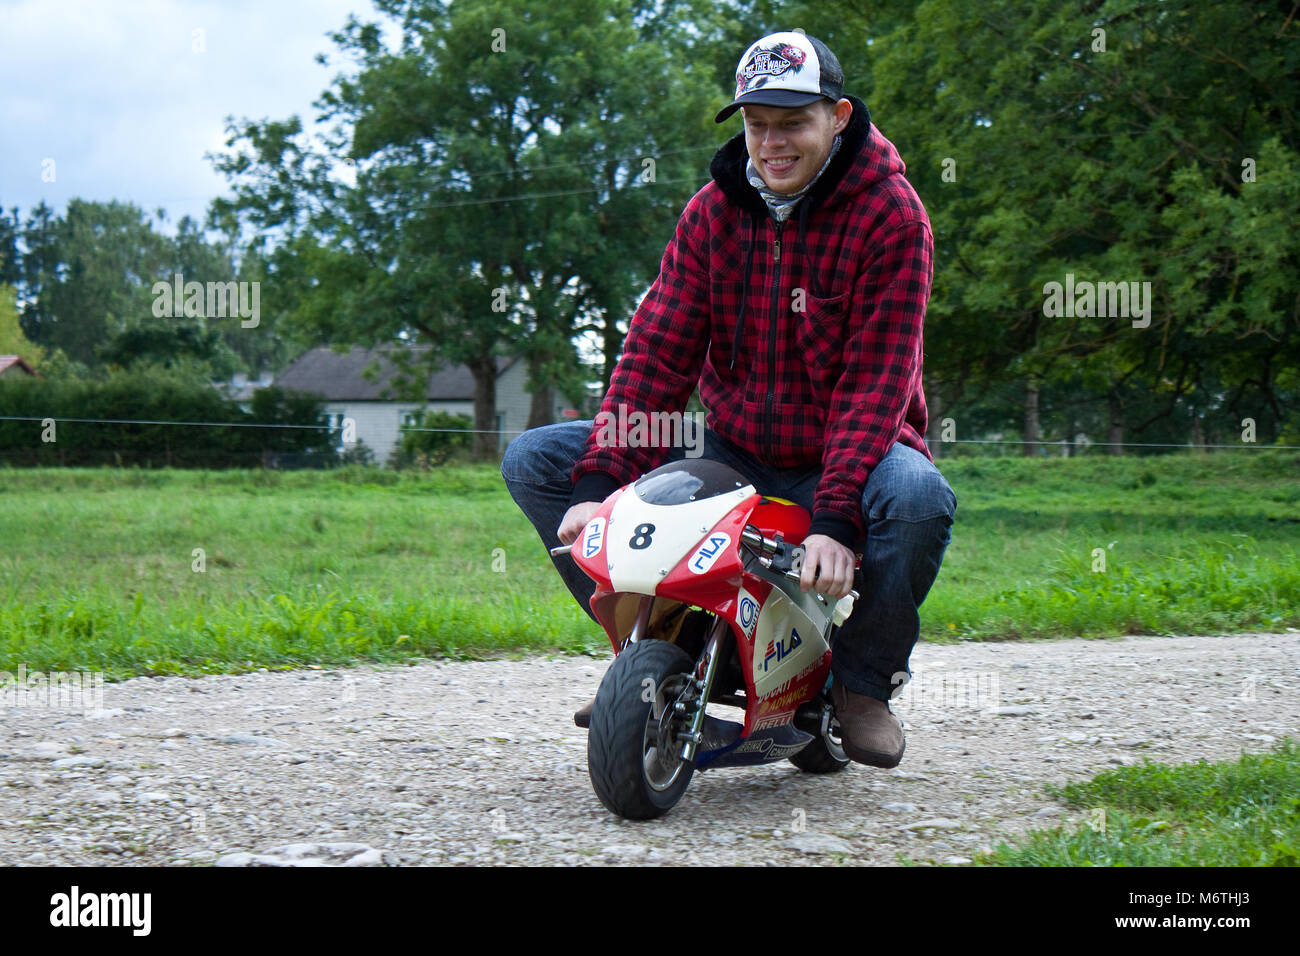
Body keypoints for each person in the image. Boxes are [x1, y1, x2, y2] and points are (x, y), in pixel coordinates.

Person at [501, 31, 956, 768]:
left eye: (792, 123)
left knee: (919, 499)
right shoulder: (712, 213)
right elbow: (656, 351)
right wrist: (598, 480)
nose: (771, 143)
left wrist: (836, 518)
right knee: (538, 460)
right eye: (756, 124)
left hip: (852, 452)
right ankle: (652, 656)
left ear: (837, 117)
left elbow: (876, 384)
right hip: (730, 444)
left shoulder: (892, 217)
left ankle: (860, 686)